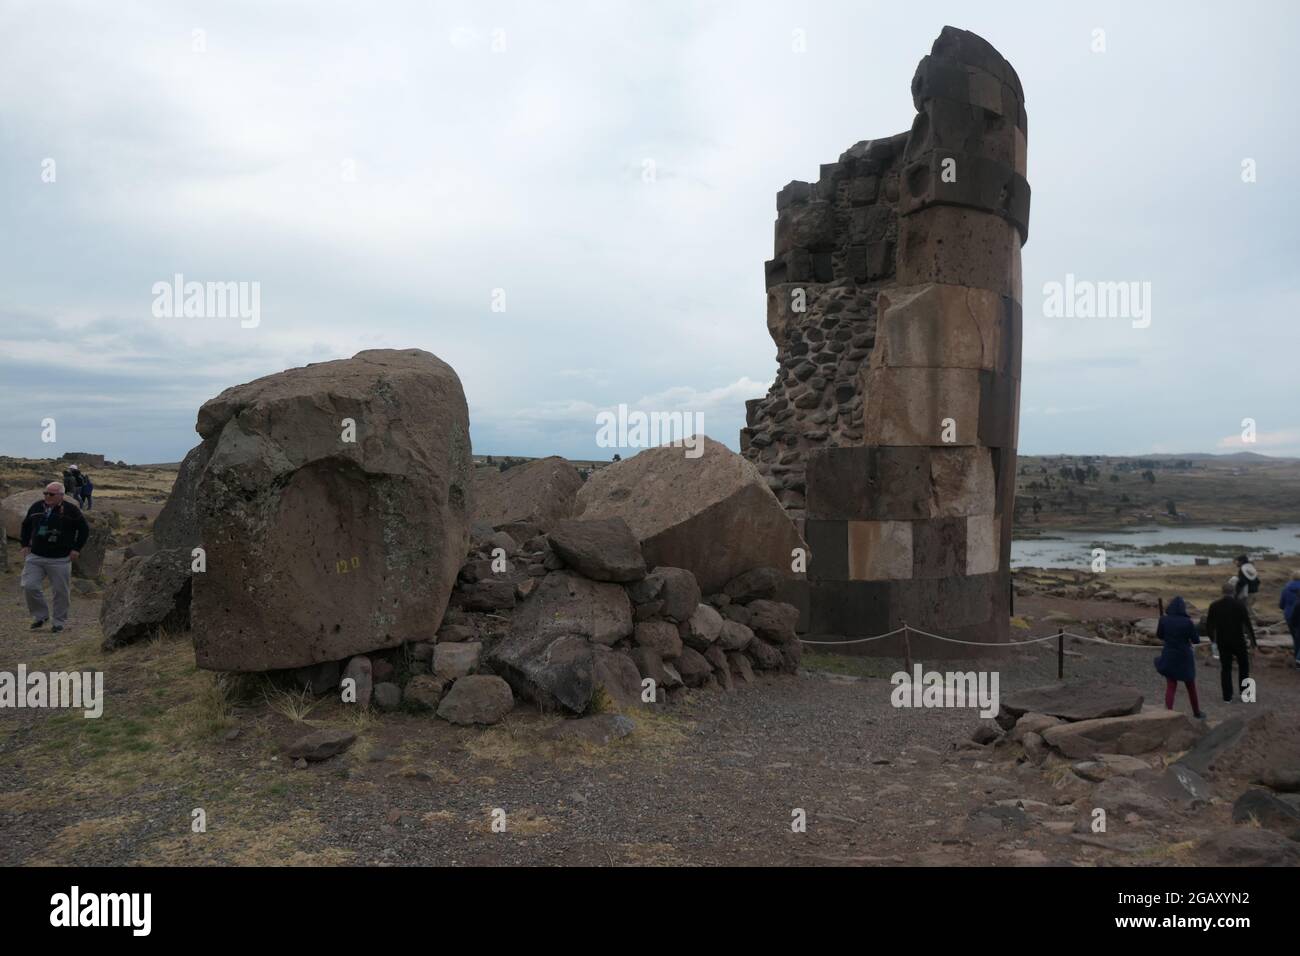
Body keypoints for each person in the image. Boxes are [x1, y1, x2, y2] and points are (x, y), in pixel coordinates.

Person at [18, 482, 90, 634]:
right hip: (36, 556)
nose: (47, 496)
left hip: (60, 559)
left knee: (60, 592)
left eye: (51, 494)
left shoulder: (71, 510)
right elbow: (26, 525)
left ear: (61, 496)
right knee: (29, 586)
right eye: (45, 493)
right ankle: (41, 616)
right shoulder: (37, 507)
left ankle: (58, 622)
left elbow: (84, 529)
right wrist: (24, 544)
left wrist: (76, 549)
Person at [1154, 595, 1205, 719]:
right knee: (1191, 686)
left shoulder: (1164, 620)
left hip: (1169, 654)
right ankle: (1196, 712)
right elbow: (1196, 640)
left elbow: (1160, 636)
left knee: (1171, 685)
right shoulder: (1187, 622)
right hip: (1184, 657)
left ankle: (1168, 712)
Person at [1206, 582, 1256, 702]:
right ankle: (1245, 694)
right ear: (1233, 592)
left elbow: (1209, 626)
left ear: (1222, 592)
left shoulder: (1214, 605)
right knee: (1244, 666)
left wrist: (1213, 640)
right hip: (1238, 640)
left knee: (1226, 668)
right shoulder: (1240, 605)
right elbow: (1247, 625)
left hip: (1223, 641)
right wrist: (1253, 642)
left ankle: (1227, 696)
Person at [1281, 570, 1300, 668]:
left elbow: (1281, 604)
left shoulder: (1286, 588)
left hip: (1289, 616)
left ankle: (1297, 660)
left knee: (1295, 638)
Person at [1234, 554, 1261, 622]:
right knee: (1248, 608)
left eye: (1237, 561)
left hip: (1248, 593)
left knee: (1246, 608)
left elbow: (1242, 582)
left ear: (1241, 561)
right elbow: (1258, 581)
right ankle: (1256, 620)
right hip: (1255, 592)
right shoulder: (1251, 568)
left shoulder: (1242, 569)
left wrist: (1236, 594)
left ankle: (1257, 621)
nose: (1236, 562)